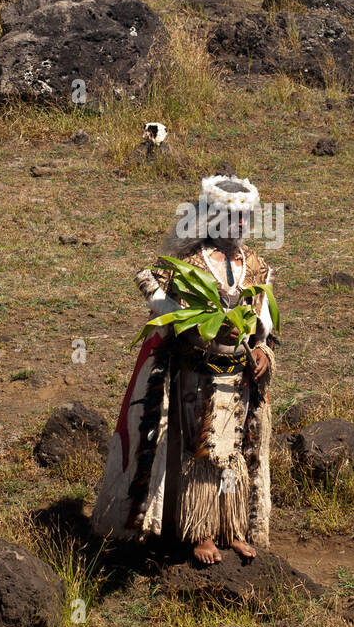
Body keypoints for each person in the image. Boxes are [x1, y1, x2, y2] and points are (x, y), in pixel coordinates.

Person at [91, 175, 278, 564]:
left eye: (245, 217)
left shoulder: (257, 265)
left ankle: (233, 529)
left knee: (235, 451)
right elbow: (148, 282)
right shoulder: (190, 265)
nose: (240, 225)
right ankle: (201, 532)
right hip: (196, 374)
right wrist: (190, 320)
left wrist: (261, 349)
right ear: (212, 217)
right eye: (232, 217)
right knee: (201, 450)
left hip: (238, 377)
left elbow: (262, 318)